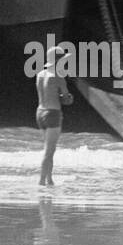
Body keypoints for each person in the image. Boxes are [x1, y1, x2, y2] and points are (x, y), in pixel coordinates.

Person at [35, 47, 74, 187]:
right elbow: (66, 99)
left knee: (49, 148)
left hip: (40, 113)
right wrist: (69, 98)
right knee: (49, 151)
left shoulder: (40, 74)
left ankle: (49, 180)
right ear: (58, 61)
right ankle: (41, 181)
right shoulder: (58, 77)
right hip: (53, 113)